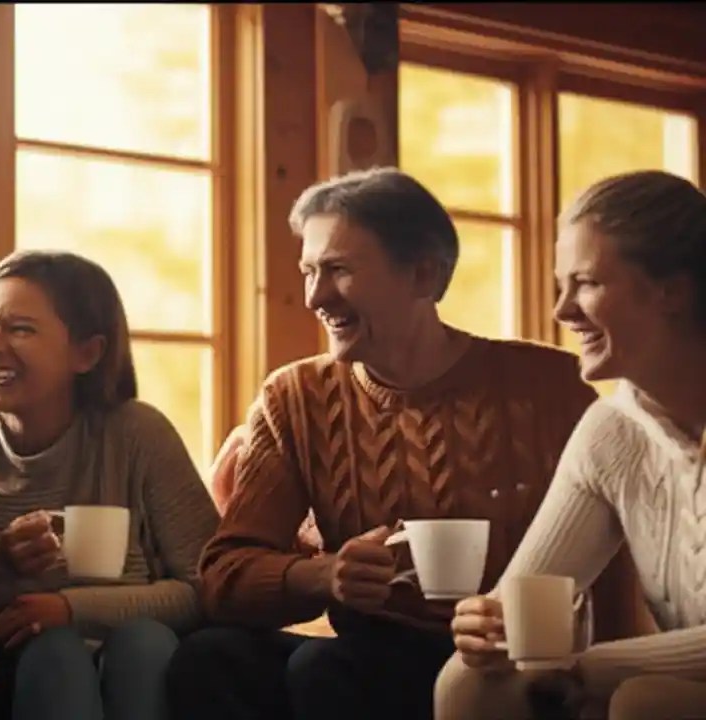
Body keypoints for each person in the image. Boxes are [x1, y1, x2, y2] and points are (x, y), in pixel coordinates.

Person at [166, 167, 621, 720]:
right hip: (367, 648)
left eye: (338, 270)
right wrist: (327, 574)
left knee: (325, 673)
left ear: (422, 275)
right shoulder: (295, 396)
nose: (314, 296)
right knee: (210, 658)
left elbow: (617, 568)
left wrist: (603, 680)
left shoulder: (549, 387)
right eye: (309, 270)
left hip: (505, 656)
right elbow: (224, 576)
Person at [435, 170, 706, 720]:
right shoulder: (611, 430)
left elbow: (579, 666)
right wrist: (487, 626)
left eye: (586, 283)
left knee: (646, 703)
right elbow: (526, 604)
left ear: (671, 291)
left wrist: (587, 667)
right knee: (471, 681)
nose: (561, 311)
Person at [0, 249, 221, 720]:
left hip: (139, 667)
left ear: (88, 353)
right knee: (54, 652)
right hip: (9, 676)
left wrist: (70, 608)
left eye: (20, 329)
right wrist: (2, 567)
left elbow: (206, 588)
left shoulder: (138, 434)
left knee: (144, 641)